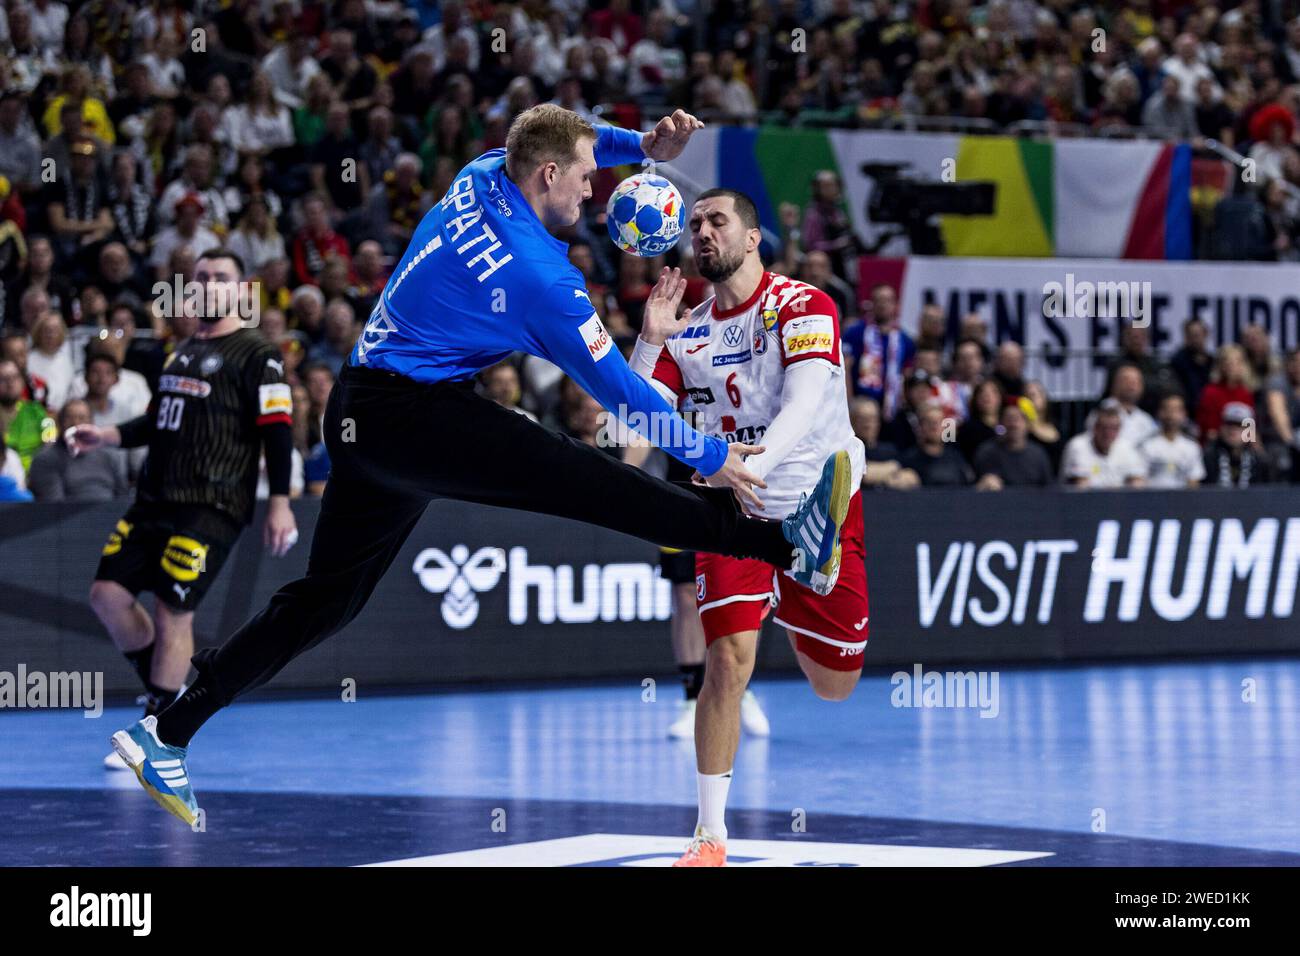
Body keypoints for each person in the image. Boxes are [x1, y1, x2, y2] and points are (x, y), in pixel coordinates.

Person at [102, 106, 847, 827]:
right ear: (548, 173)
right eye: (588, 176)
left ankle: (166, 732)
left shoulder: (480, 173)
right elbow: (622, 393)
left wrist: (640, 143)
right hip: (414, 417)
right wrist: (716, 456)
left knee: (323, 603)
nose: (597, 186)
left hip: (364, 412)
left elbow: (559, 133)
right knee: (588, 479)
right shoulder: (542, 280)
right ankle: (782, 545)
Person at [628, 188, 865, 866]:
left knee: (834, 685)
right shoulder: (689, 330)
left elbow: (806, 399)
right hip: (732, 513)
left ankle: (794, 588)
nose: (701, 232)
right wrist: (649, 342)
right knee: (726, 661)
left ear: (753, 237)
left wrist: (749, 460)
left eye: (715, 220)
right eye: (693, 224)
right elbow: (635, 421)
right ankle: (710, 836)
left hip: (820, 502)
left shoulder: (803, 305)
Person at [66, 249, 298, 769]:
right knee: (106, 595)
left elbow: (278, 433)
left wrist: (279, 503)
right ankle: (166, 691)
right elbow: (156, 421)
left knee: (174, 610)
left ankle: (155, 728)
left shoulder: (259, 354)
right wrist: (105, 434)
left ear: (241, 291)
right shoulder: (182, 350)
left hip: (213, 504)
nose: (209, 284)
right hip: (154, 501)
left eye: (221, 277)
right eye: (201, 278)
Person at [1059, 399, 1146, 488]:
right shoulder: (1078, 445)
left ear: (1119, 429)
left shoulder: (1126, 447)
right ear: (1094, 428)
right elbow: (1081, 487)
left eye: (1114, 428)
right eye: (1104, 427)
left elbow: (1138, 483)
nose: (1108, 433)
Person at [972, 401, 1054, 488]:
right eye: (1009, 418)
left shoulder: (1038, 454)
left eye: (1019, 419)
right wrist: (982, 485)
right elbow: (970, 489)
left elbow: (1049, 490)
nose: (1014, 424)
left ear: (1027, 425)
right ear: (1000, 423)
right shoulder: (986, 452)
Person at [1139, 393, 1205, 488]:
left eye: (1176, 410)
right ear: (1159, 413)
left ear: (1184, 414)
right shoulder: (1147, 445)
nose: (1171, 415)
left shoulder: (1192, 447)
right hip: (1153, 499)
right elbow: (1139, 479)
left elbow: (1194, 481)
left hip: (1182, 500)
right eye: (1166, 409)